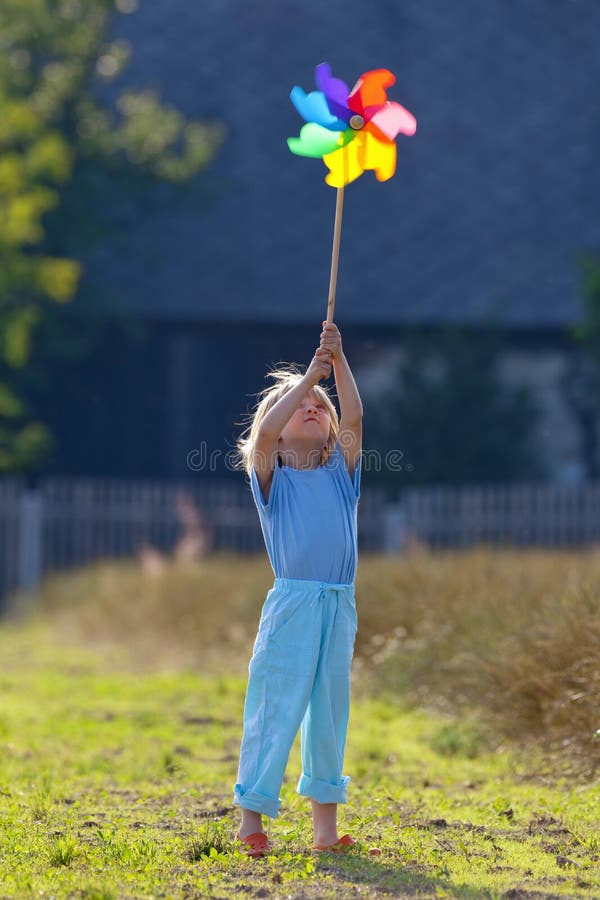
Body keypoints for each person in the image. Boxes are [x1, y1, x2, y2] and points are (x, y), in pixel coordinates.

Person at [232, 320, 363, 857]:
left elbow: (353, 413)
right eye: (300, 404)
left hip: (338, 604)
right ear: (281, 427)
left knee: (329, 717)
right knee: (275, 708)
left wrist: (339, 361)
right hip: (292, 606)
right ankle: (250, 822)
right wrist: (310, 375)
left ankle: (325, 834)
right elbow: (262, 434)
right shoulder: (272, 476)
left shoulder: (341, 473)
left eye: (319, 404)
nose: (314, 405)